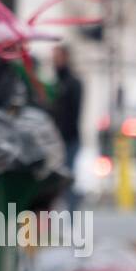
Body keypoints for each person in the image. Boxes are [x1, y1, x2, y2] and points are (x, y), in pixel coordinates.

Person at [50, 44, 84, 178]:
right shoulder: (57, 83)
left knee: (66, 177)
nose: (54, 60)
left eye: (57, 57)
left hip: (68, 139)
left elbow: (72, 114)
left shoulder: (72, 83)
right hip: (59, 138)